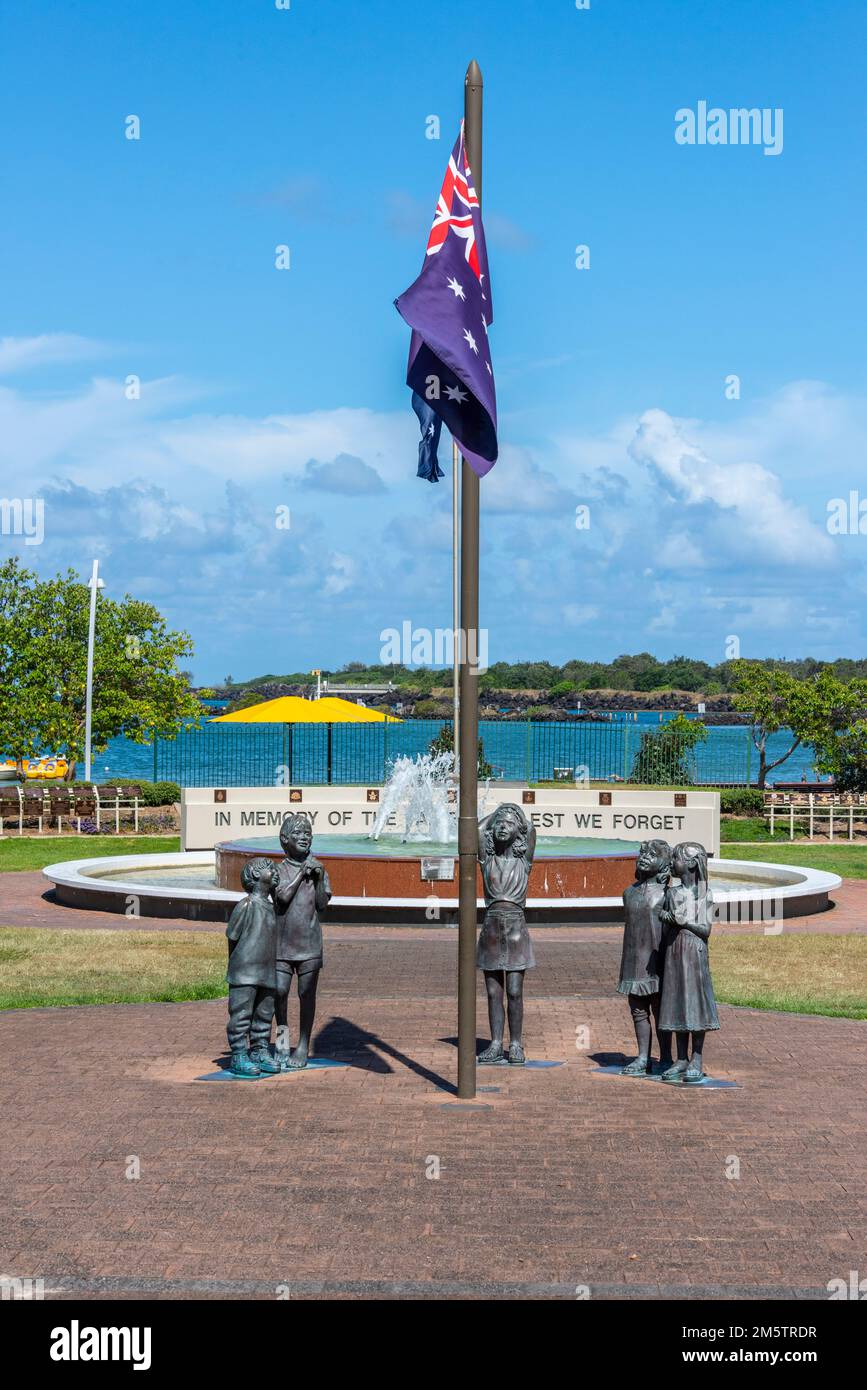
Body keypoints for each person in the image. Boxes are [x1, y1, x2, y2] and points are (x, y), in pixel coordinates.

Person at [476, 803, 536, 1065]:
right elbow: (478, 829)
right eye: (499, 823)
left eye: (509, 824)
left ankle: (516, 1043)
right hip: (490, 927)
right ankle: (495, 1043)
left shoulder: (524, 861)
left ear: (518, 831)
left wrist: (513, 814)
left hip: (515, 929)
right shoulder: (487, 860)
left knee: (514, 991)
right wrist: (500, 812)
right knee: (492, 992)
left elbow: (531, 829)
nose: (502, 827)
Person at [273, 813, 332, 1070]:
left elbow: (322, 905)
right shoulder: (278, 869)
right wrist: (301, 876)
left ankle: (304, 1044)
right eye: (298, 834)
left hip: (309, 943)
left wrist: (318, 878)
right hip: (281, 944)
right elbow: (282, 897)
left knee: (306, 993)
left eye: (308, 833)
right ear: (285, 840)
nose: (304, 838)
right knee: (279, 991)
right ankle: (282, 1038)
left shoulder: (319, 869)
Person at [658, 841, 720, 1082]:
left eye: (677, 858)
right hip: (675, 951)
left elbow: (705, 929)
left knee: (694, 1002)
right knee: (677, 1001)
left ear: (692, 864)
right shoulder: (672, 893)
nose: (673, 862)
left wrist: (683, 922)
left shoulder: (704, 894)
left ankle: (696, 1057)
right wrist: (666, 916)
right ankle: (680, 1058)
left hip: (694, 952)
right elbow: (664, 916)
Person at [618, 839, 673, 1075]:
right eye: (643, 853)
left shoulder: (668, 894)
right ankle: (643, 1057)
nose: (645, 857)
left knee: (661, 1010)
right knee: (638, 1009)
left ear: (664, 864)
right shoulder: (628, 893)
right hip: (633, 959)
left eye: (653, 854)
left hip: (657, 960)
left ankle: (667, 1057)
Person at [225, 857, 281, 1078]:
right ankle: (239, 1053)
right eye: (271, 869)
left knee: (265, 1013)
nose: (276, 872)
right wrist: (236, 967)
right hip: (245, 972)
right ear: (257, 875)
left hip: (267, 971)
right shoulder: (246, 905)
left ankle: (259, 1049)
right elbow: (232, 937)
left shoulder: (271, 906)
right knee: (241, 1014)